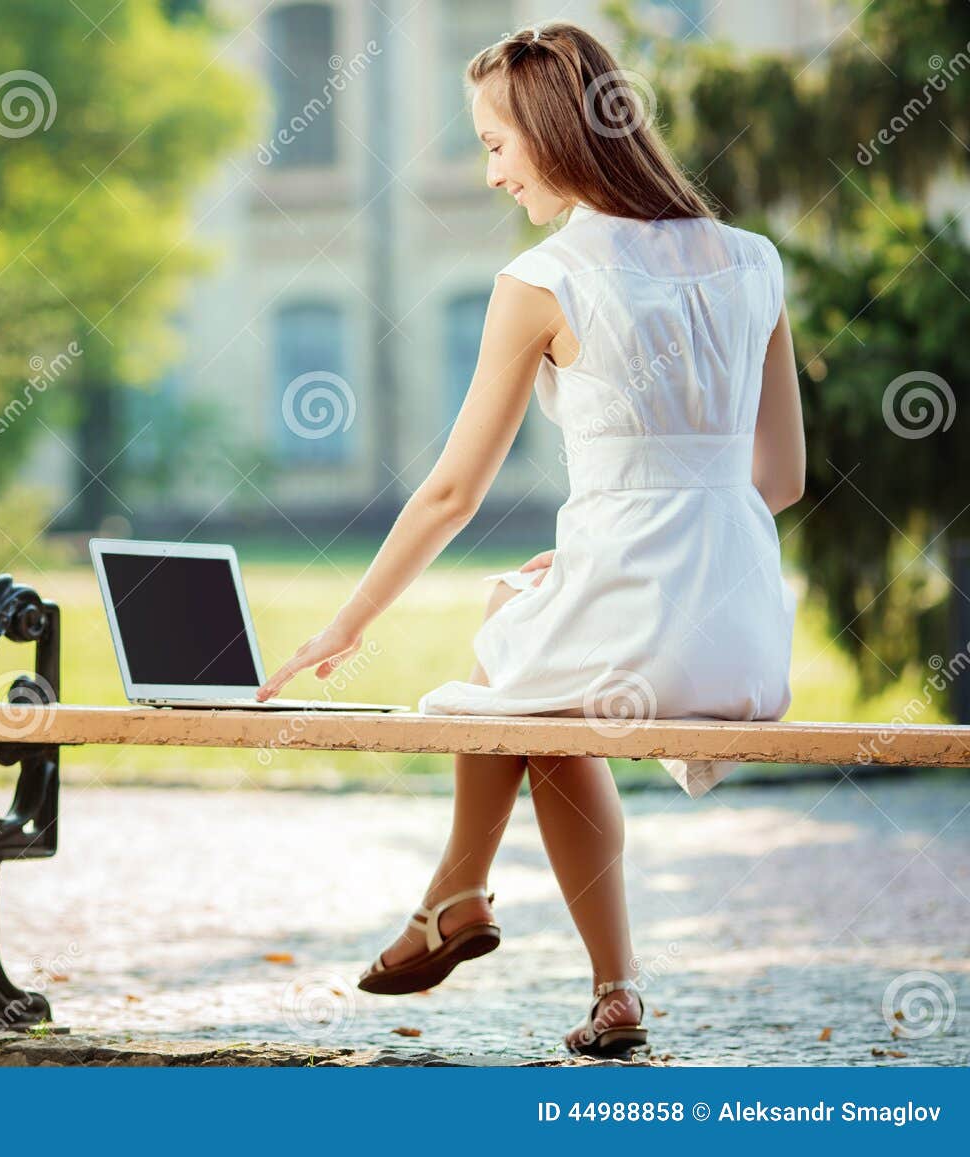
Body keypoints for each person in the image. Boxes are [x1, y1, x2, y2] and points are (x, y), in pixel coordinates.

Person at [254, 19, 804, 1058]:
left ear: (552, 136)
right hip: (741, 629)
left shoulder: (543, 280)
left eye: (496, 144)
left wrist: (340, 628)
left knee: (500, 668)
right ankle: (606, 987)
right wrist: (635, 541)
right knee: (528, 650)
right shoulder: (756, 262)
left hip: (637, 619)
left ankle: (459, 890)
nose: (492, 172)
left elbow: (449, 492)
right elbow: (778, 481)